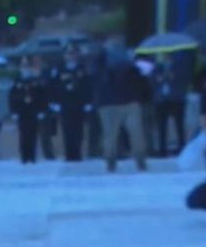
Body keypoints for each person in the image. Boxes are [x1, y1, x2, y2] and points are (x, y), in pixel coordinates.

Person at [95, 44, 148, 172]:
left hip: (122, 102)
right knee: (113, 136)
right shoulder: (101, 59)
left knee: (131, 135)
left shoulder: (130, 59)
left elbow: (145, 72)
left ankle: (136, 163)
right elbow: (146, 72)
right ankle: (113, 164)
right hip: (112, 103)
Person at [48, 45, 93, 162]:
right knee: (67, 130)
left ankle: (78, 154)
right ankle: (70, 155)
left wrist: (88, 102)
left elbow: (88, 86)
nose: (70, 56)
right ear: (64, 56)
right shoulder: (59, 70)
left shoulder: (83, 69)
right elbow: (53, 86)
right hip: (65, 104)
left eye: (73, 53)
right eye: (68, 54)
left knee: (79, 130)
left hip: (80, 104)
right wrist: (54, 102)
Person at [9, 56, 48, 164]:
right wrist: (14, 111)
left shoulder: (35, 81)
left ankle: (32, 156)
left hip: (33, 111)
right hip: (21, 112)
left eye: (26, 65)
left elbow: (42, 96)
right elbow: (12, 97)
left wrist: (41, 110)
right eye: (23, 65)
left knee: (33, 134)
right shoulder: (16, 81)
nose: (24, 68)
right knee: (23, 135)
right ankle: (24, 157)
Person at [152, 54, 188, 156]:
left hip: (176, 98)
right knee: (161, 125)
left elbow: (184, 78)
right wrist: (157, 79)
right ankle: (162, 149)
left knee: (179, 124)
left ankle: (182, 146)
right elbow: (151, 79)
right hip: (161, 99)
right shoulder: (156, 66)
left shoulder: (180, 65)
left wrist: (175, 77)